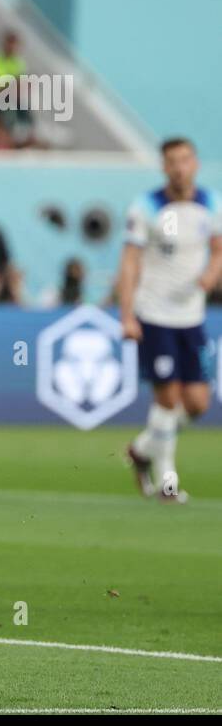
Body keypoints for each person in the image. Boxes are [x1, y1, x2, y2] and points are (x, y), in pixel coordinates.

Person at [119, 138, 221, 503]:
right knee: (167, 398)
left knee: (196, 404)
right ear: (164, 167)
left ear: (195, 163)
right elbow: (130, 261)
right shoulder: (147, 207)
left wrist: (212, 272)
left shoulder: (212, 203)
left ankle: (142, 449)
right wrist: (128, 314)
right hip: (155, 315)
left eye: (185, 160)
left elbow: (219, 250)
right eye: (172, 162)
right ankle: (167, 483)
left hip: (191, 316)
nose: (179, 167)